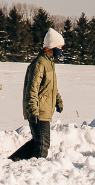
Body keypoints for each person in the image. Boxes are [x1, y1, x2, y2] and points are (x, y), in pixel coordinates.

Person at [10, 29, 65, 161]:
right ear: (52, 47)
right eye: (60, 47)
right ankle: (37, 168)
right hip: (38, 110)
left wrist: (58, 100)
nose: (61, 50)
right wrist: (33, 110)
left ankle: (13, 161)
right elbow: (32, 89)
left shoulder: (49, 63)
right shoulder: (39, 64)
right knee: (42, 145)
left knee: (38, 142)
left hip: (45, 109)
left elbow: (51, 87)